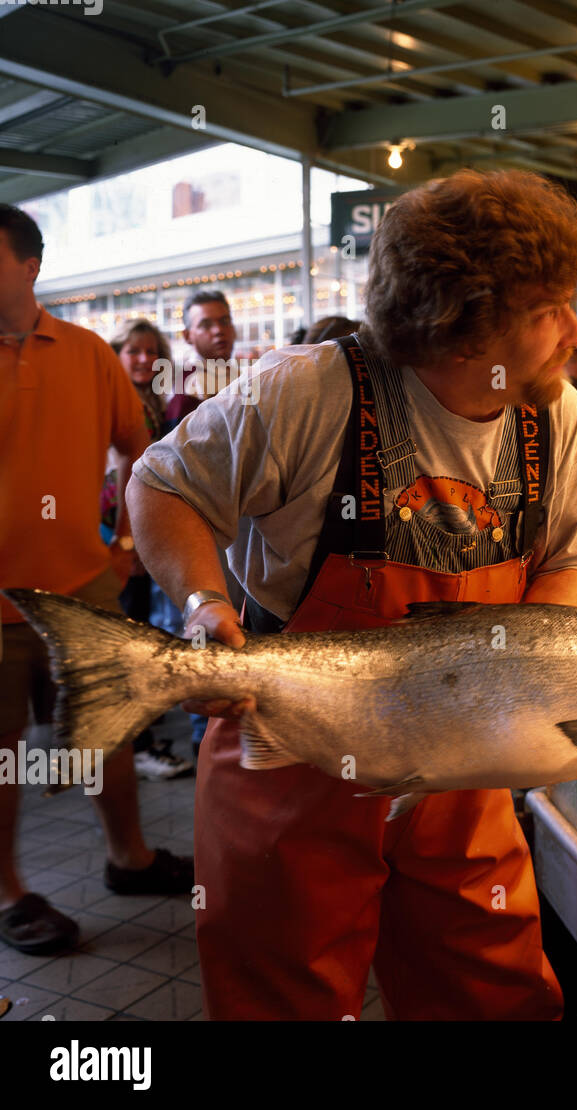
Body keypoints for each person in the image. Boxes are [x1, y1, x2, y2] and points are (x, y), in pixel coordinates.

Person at [126, 169, 577, 1020]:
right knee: (280, 997)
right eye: (549, 310)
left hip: (463, 774)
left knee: (492, 997)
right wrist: (204, 607)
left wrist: (528, 662)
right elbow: (161, 485)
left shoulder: (559, 416)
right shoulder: (307, 392)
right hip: (289, 760)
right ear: (460, 328)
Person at [0, 204, 195, 956]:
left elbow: (137, 453)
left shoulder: (86, 353)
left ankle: (129, 858)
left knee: (105, 732)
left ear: (29, 266)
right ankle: (10, 893)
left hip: (83, 585)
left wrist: (127, 542)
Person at [103, 319, 194, 781]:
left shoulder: (155, 403)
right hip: (114, 533)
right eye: (133, 351)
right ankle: (133, 747)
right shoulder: (110, 402)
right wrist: (125, 541)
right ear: (115, 355)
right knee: (125, 639)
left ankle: (138, 742)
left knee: (137, 631)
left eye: (151, 351)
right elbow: (117, 477)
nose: (144, 359)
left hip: (138, 531)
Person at [166, 289, 236, 432]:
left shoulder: (242, 376)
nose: (218, 330)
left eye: (224, 321)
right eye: (206, 325)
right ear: (187, 336)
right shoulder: (187, 389)